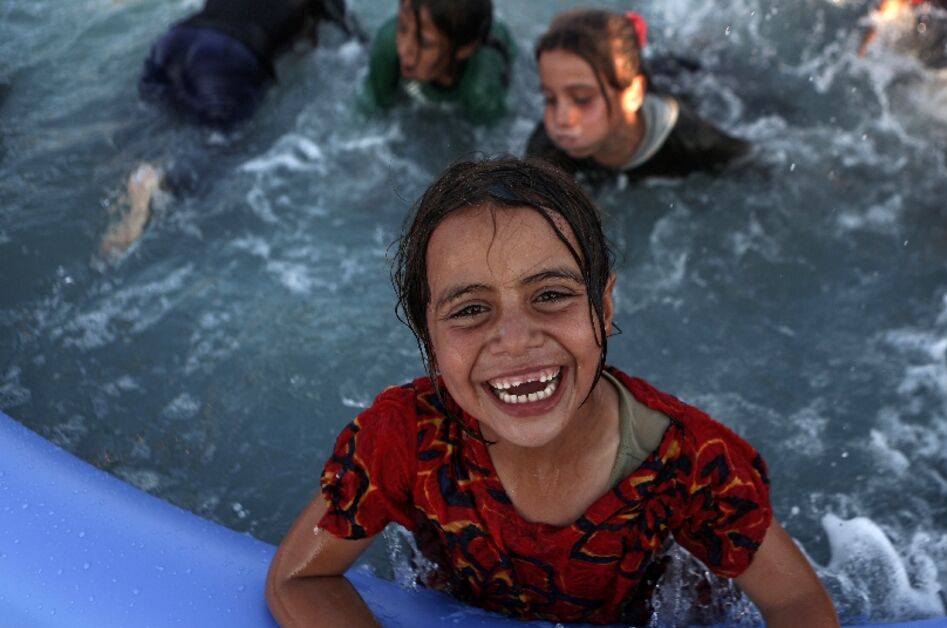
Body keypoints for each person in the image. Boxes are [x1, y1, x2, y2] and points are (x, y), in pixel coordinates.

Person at [265, 157, 840, 627]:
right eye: (470, 310)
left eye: (551, 295)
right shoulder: (404, 439)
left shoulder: (688, 459)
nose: (516, 340)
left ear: (604, 308)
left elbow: (795, 602)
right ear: (429, 342)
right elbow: (302, 577)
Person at [526, 10, 750, 186]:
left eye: (582, 99)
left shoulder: (694, 143)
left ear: (632, 95)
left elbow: (751, 164)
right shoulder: (546, 151)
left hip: (690, 78)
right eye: (550, 98)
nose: (562, 119)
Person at [139, 0, 363, 128]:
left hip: (174, 41)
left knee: (151, 121)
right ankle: (163, 186)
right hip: (228, 53)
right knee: (217, 148)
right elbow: (357, 43)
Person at [361, 0, 515, 126]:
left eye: (424, 43)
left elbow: (494, 135)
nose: (404, 51)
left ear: (465, 49)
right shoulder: (388, 47)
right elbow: (373, 110)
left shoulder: (481, 88)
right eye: (402, 28)